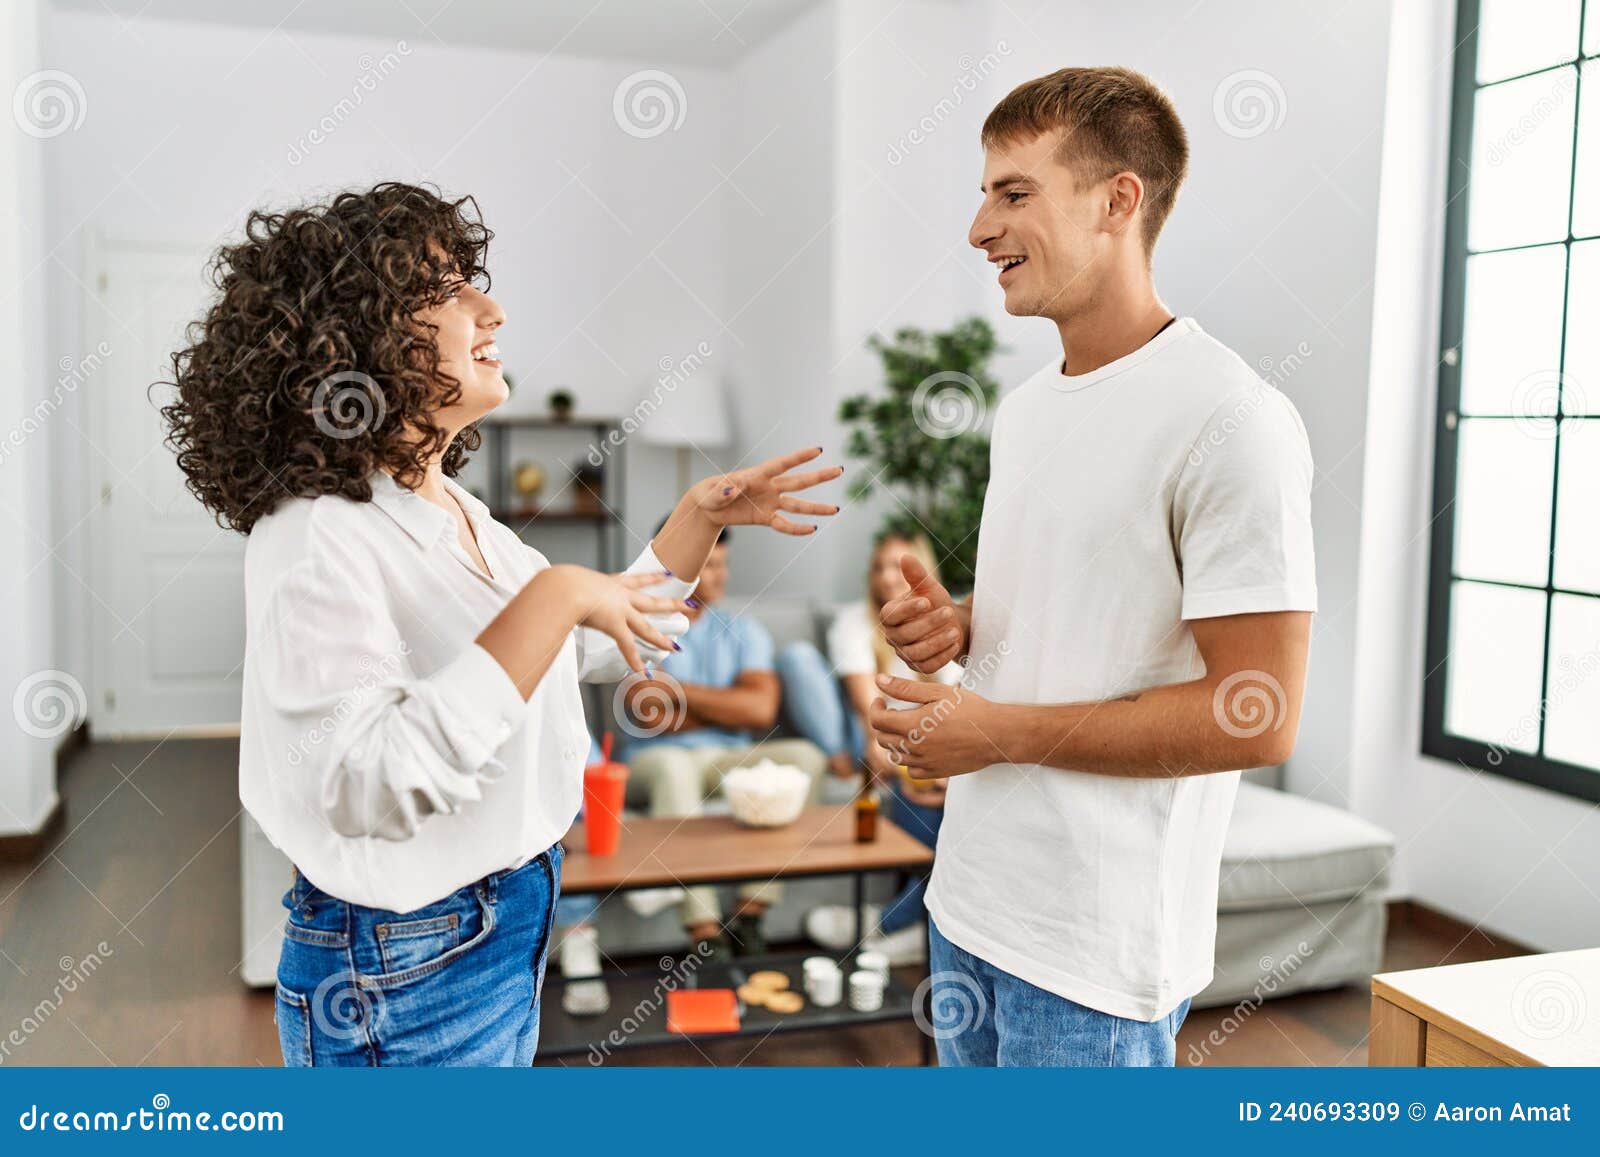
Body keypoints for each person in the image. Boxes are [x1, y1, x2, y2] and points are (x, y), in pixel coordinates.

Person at [161, 182, 841, 1066]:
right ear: (356, 339)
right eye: (446, 290)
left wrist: (699, 515)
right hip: (402, 959)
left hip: (504, 919)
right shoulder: (316, 533)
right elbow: (369, 783)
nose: (493, 308)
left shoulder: (450, 508)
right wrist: (556, 592)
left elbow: (596, 638)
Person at [870, 68, 1316, 1068]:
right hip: (968, 903)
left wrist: (993, 733)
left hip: (1089, 963)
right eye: (984, 192)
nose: (979, 226)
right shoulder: (1029, 408)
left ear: (1120, 200)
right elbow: (1097, 598)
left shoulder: (1230, 418)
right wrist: (967, 623)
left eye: (1013, 193)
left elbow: (1259, 709)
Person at [622, 523, 830, 957]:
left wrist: (681, 694)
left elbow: (758, 711)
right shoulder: (641, 623)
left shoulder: (744, 630)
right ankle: (703, 932)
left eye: (723, 565)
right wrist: (727, 701)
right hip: (656, 760)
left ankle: (750, 914)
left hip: (730, 759)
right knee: (675, 769)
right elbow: (651, 715)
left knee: (805, 758)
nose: (720, 576)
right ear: (676, 567)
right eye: (708, 565)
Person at [775, 531, 962, 962]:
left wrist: (943, 774)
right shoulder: (857, 621)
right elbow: (867, 707)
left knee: (948, 800)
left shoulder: (947, 624)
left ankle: (889, 925)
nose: (884, 577)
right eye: (878, 566)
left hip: (920, 745)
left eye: (896, 566)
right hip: (864, 727)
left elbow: (953, 713)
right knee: (799, 660)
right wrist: (887, 759)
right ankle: (903, 928)